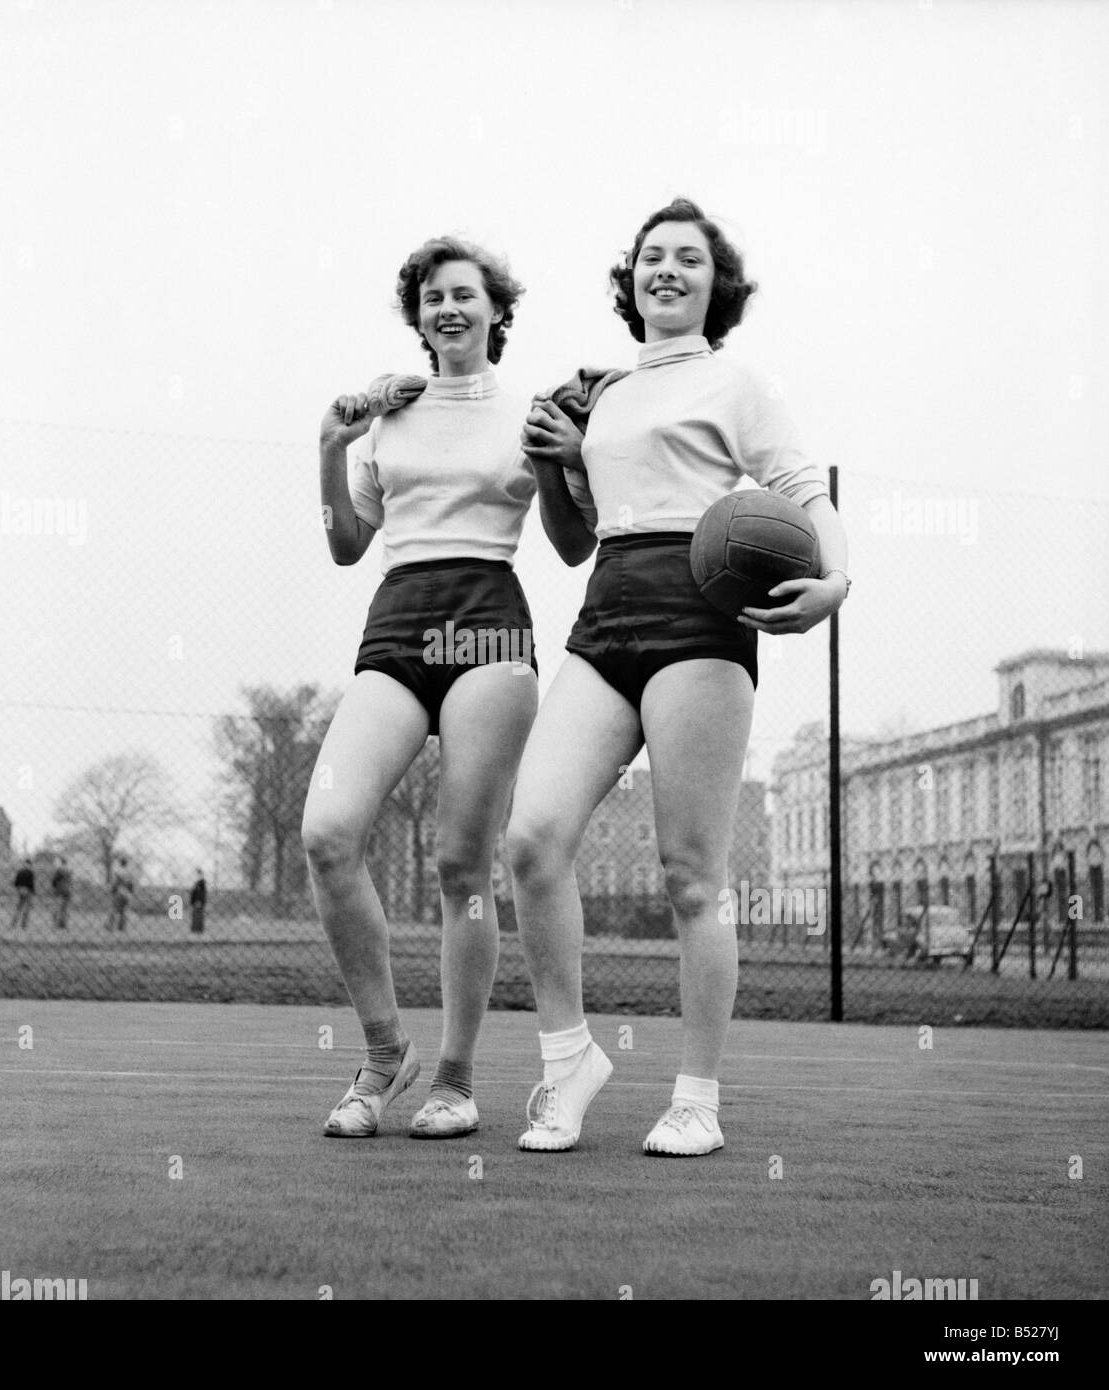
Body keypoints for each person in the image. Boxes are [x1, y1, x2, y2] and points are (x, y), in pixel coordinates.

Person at [509, 197, 849, 1156]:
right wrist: (558, 466)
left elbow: (801, 493)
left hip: (703, 617)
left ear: (715, 283)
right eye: (650, 257)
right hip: (606, 608)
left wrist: (835, 579)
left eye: (687, 259)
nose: (666, 269)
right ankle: (568, 1061)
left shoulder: (736, 382)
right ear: (631, 282)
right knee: (531, 839)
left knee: (690, 876)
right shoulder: (603, 396)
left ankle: (696, 1096)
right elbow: (574, 542)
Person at [302, 235, 570, 1141]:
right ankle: (385, 1054)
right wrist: (330, 446)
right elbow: (345, 544)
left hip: (490, 623)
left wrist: (568, 456)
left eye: (464, 295)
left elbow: (575, 537)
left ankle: (454, 1080)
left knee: (462, 866)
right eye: (430, 299)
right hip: (398, 619)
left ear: (497, 310)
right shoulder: (388, 416)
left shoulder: (528, 410)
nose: (447, 309)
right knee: (326, 833)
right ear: (417, 318)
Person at [108, 855, 134, 933]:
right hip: (127, 894)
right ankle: (122, 927)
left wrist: (112, 891)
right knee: (124, 911)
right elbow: (131, 884)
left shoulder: (118, 872)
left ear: (120, 863)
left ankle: (110, 926)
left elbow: (116, 883)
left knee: (114, 909)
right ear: (126, 863)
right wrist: (130, 893)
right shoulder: (129, 873)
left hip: (119, 892)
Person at [10, 858, 35, 931]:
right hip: (28, 891)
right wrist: (33, 891)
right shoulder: (30, 872)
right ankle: (24, 925)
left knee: (19, 907)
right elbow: (31, 884)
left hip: (20, 890)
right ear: (30, 864)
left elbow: (16, 882)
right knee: (27, 908)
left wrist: (19, 888)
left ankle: (14, 923)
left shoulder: (20, 871)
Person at [50, 857, 71, 930]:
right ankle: (63, 924)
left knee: (56, 906)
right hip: (67, 890)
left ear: (61, 862)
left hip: (59, 890)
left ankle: (55, 924)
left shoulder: (59, 870)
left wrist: (53, 886)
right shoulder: (69, 870)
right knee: (64, 908)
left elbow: (54, 880)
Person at [189, 868, 206, 935]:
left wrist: (199, 901)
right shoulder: (197, 882)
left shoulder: (201, 882)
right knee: (195, 916)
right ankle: (195, 930)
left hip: (198, 902)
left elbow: (201, 893)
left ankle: (198, 930)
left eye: (197, 873)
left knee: (198, 916)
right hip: (195, 902)